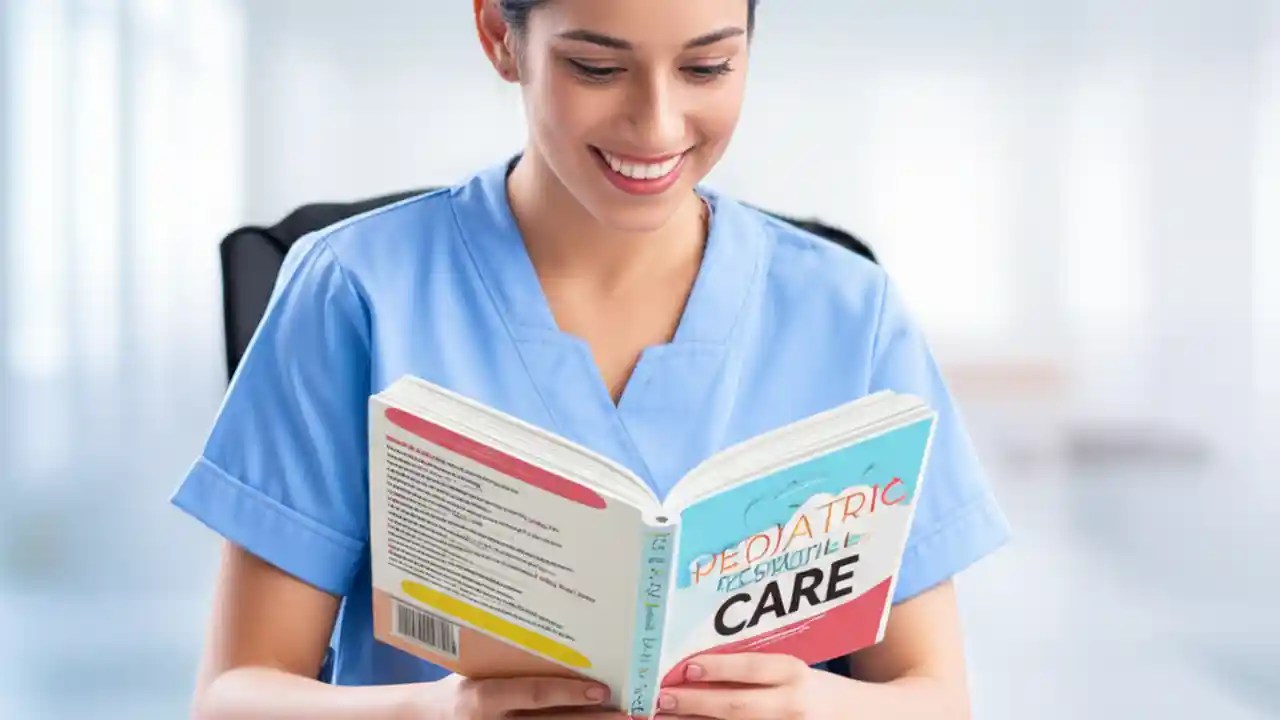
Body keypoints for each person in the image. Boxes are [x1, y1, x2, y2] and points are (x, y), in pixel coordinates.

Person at [170, 1, 1012, 718]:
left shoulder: (850, 312)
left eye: (708, 68)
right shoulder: (355, 290)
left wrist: (817, 703)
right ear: (501, 35)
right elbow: (237, 693)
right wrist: (433, 707)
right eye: (596, 69)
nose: (657, 126)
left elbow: (932, 695)